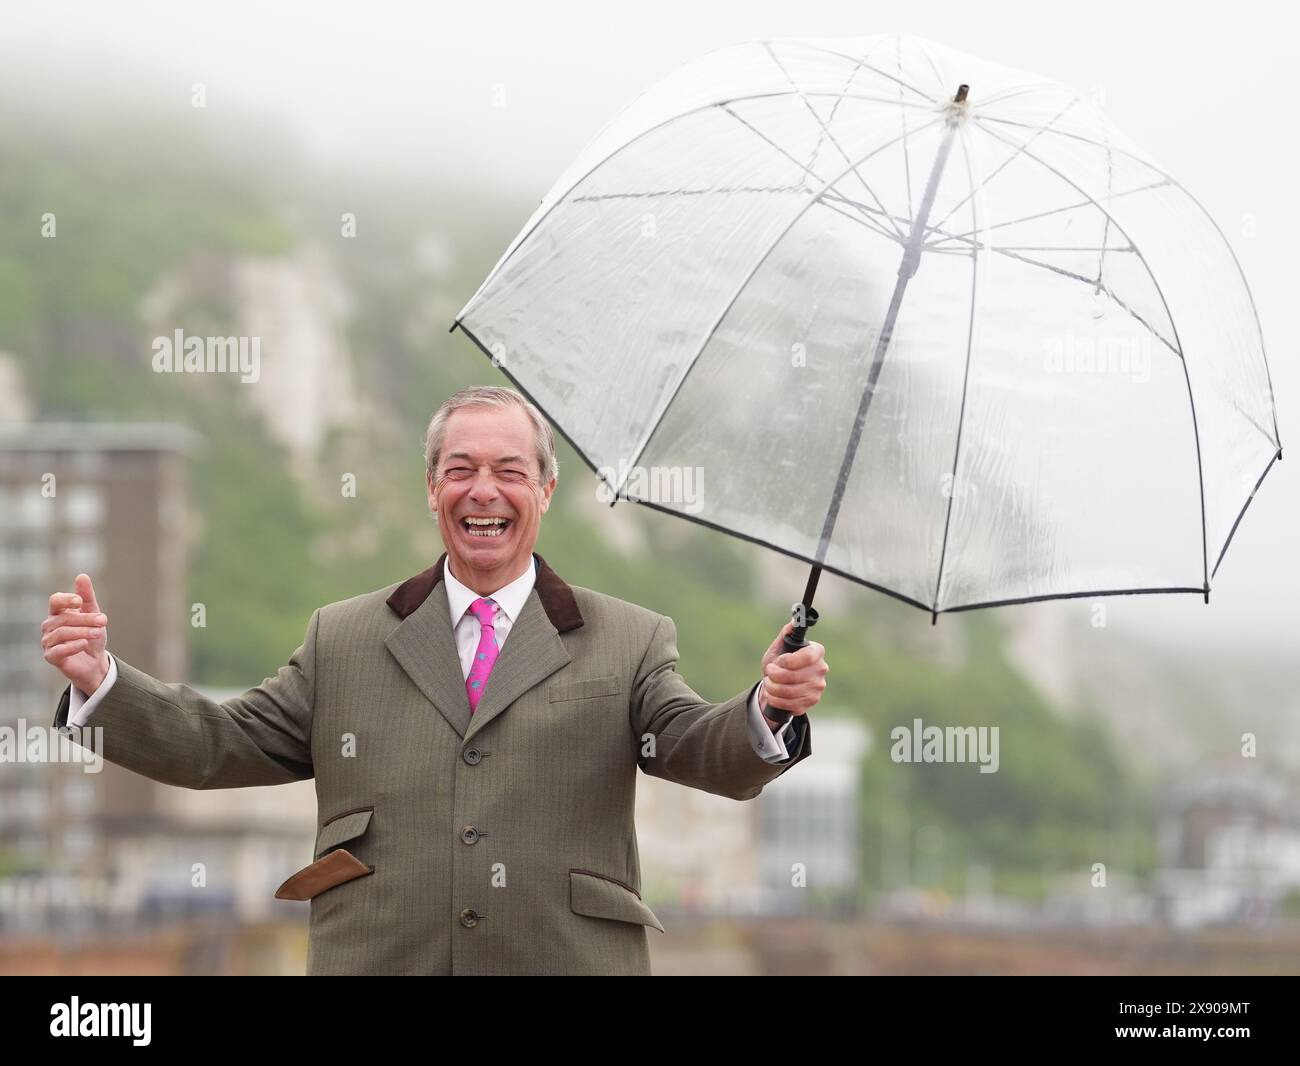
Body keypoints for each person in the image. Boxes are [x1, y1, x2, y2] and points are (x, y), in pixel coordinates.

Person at [41, 385, 824, 975]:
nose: (483, 490)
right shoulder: (343, 637)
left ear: (545, 492)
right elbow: (219, 744)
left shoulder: (629, 638)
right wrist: (103, 681)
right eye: (462, 470)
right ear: (431, 489)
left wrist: (767, 709)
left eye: (509, 471)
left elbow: (693, 745)